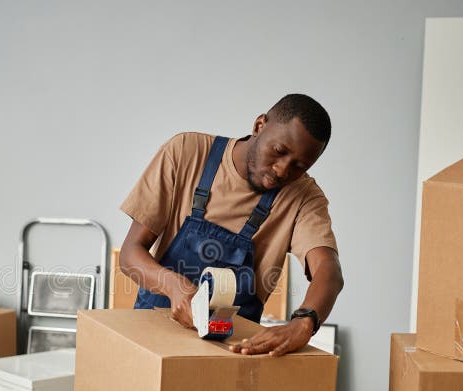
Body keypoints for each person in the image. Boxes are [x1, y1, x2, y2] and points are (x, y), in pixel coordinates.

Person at [119, 94, 343, 356]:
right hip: (152, 342)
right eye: (279, 152)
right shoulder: (186, 152)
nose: (282, 170)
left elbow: (329, 271)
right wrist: (174, 287)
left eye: (299, 166)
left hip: (229, 353)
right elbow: (130, 254)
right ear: (260, 125)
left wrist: (305, 321)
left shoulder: (303, 197)